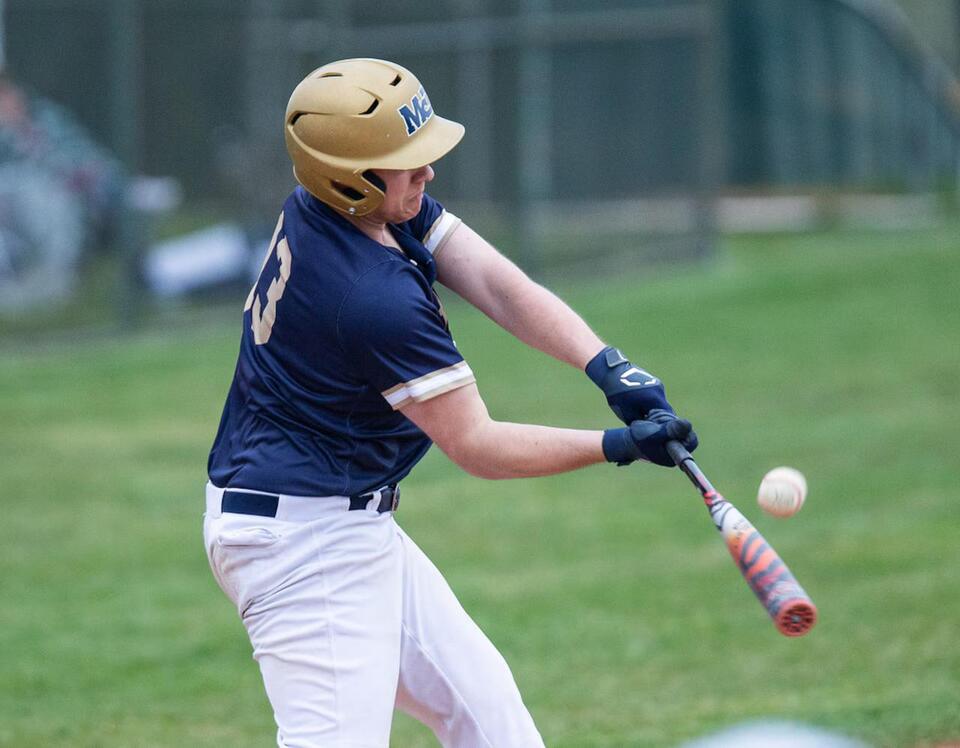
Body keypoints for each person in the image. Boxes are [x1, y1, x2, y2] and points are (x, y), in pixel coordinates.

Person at [203, 58, 698, 748]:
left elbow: (491, 281)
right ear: (352, 175)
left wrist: (608, 366)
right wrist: (616, 445)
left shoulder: (351, 210)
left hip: (337, 520)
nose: (429, 173)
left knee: (488, 716)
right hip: (303, 544)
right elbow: (478, 446)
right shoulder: (373, 298)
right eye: (409, 162)